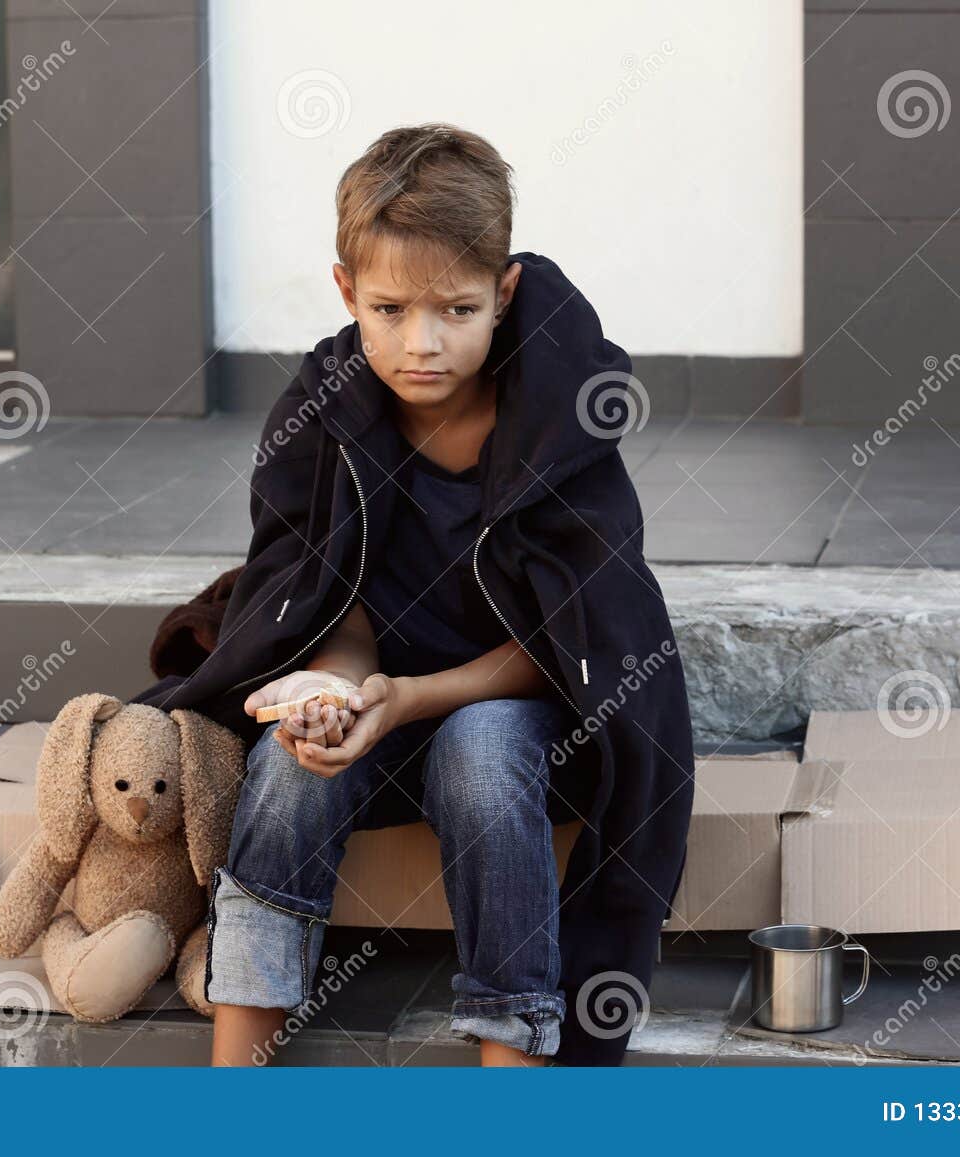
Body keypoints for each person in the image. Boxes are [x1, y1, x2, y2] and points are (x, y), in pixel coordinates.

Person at [129, 122, 695, 1067]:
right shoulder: (327, 415)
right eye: (389, 309)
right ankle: (236, 1073)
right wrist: (338, 688)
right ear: (347, 291)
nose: (421, 344)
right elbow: (332, 596)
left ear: (504, 294)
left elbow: (575, 638)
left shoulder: (557, 417)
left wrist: (410, 698)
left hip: (519, 709)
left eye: (457, 310)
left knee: (478, 752)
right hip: (382, 704)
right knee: (288, 763)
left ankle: (512, 1064)